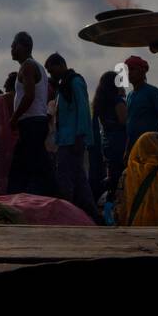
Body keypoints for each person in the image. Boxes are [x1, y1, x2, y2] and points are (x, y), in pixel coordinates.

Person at [44, 53, 99, 220]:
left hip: (73, 140)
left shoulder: (75, 82)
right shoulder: (63, 87)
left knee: (65, 179)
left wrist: (80, 137)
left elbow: (83, 110)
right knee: (79, 180)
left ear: (61, 64)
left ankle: (66, 215)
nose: (51, 74)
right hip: (65, 140)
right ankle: (92, 216)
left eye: (51, 70)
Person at [7, 32, 53, 195]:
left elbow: (29, 96)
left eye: (14, 45)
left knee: (20, 170)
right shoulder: (36, 66)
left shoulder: (27, 66)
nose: (11, 48)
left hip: (31, 124)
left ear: (24, 46)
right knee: (39, 168)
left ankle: (16, 200)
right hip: (36, 122)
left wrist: (14, 117)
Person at [122, 55, 158, 152]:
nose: (129, 73)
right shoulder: (130, 96)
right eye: (127, 70)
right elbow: (130, 125)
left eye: (132, 69)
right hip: (135, 149)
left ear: (142, 71)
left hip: (151, 147)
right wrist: (127, 150)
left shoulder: (152, 92)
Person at [91, 70, 128, 198]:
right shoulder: (117, 101)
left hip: (106, 142)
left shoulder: (100, 102)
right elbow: (124, 121)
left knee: (112, 174)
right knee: (121, 176)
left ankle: (109, 203)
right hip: (119, 142)